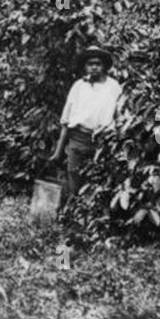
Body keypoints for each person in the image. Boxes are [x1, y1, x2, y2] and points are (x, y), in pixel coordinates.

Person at [48, 46, 122, 209]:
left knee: (99, 181)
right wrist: (58, 151)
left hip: (103, 142)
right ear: (85, 66)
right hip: (79, 139)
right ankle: (75, 217)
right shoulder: (79, 86)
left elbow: (120, 116)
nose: (94, 67)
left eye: (98, 63)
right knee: (74, 178)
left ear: (104, 66)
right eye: (90, 64)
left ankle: (95, 220)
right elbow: (66, 120)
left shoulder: (113, 87)